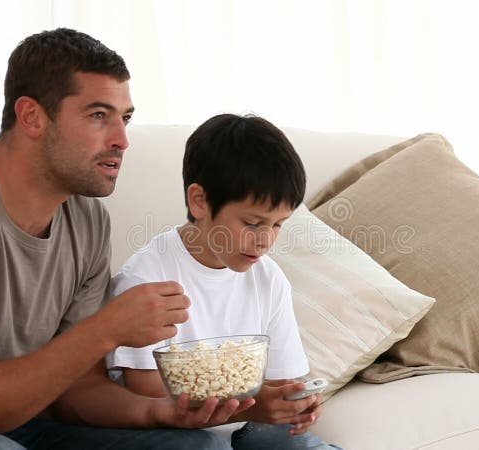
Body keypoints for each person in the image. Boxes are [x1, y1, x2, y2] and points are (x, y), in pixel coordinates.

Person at [0, 28, 252, 450]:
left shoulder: (87, 219)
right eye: (98, 116)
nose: (122, 140)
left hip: (27, 426)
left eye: (124, 118)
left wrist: (160, 412)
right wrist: (105, 330)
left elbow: (78, 392)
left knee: (198, 447)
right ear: (32, 116)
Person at [106, 113, 341, 449]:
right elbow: (145, 388)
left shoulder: (268, 278)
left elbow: (280, 381)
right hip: (167, 431)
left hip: (244, 430)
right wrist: (252, 405)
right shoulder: (148, 276)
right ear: (199, 201)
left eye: (277, 225)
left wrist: (291, 403)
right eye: (253, 223)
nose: (266, 241)